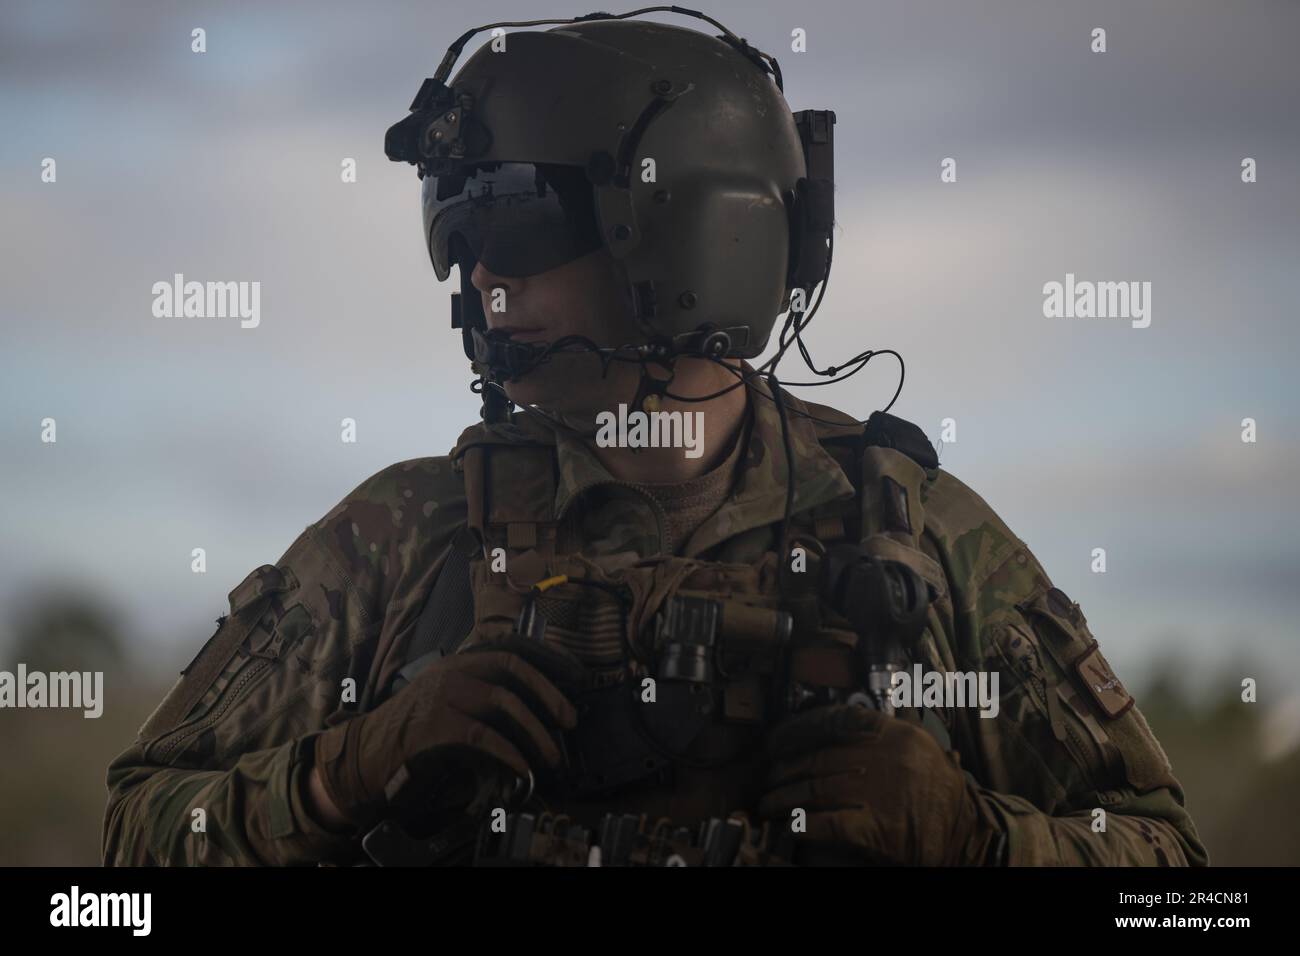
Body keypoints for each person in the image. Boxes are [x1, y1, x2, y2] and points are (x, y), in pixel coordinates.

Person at [102, 10, 1206, 867]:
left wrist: (975, 838)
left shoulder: (922, 541)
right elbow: (113, 869)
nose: (482, 272)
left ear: (682, 230)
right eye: (460, 225)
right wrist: (347, 770)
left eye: (519, 219)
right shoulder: (400, 538)